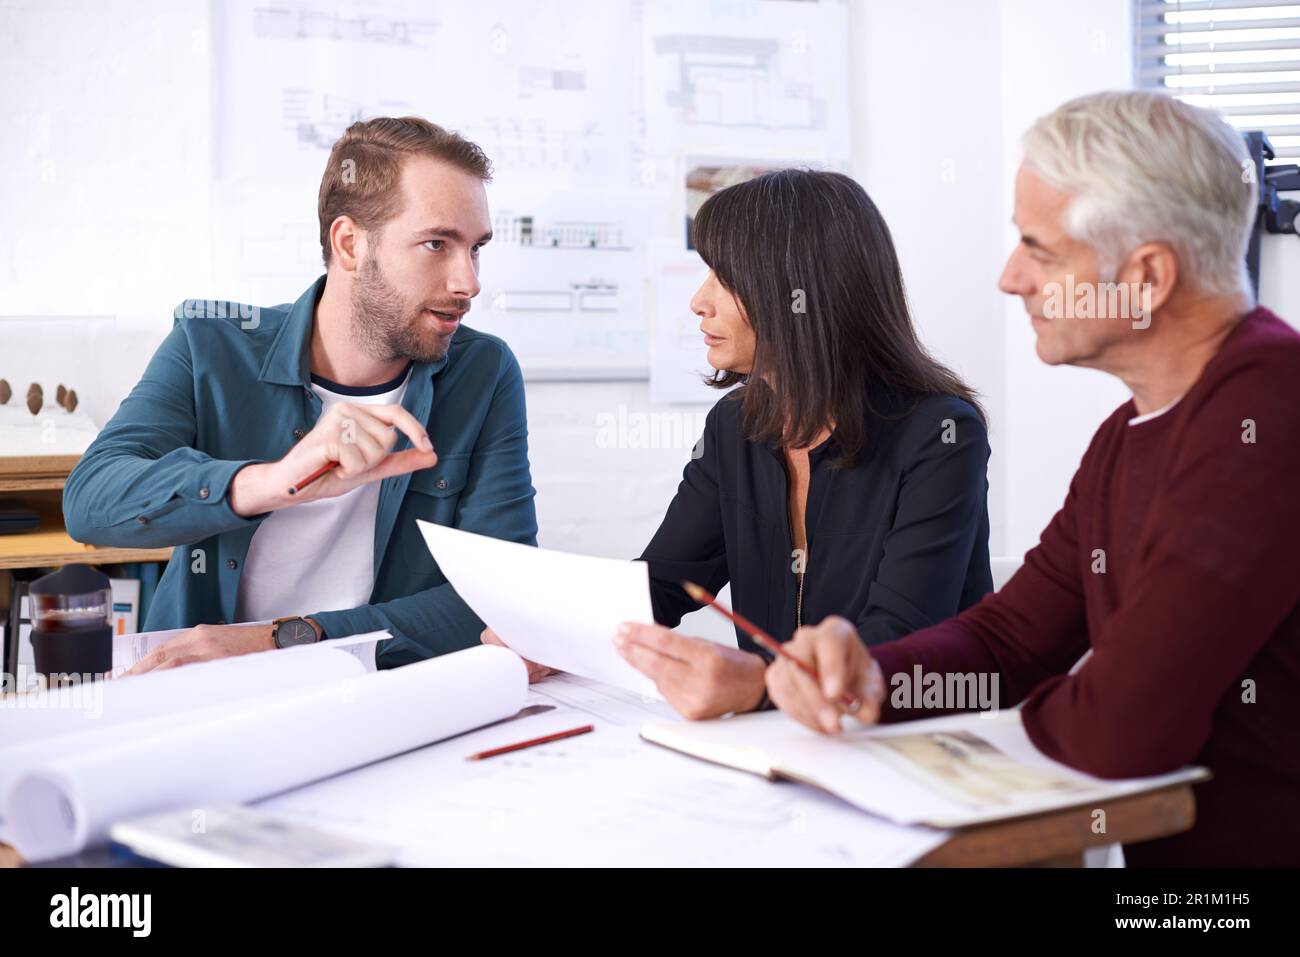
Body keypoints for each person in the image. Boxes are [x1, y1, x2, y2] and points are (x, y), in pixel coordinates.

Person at [767, 92, 1300, 867]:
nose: (1010, 278)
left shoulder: (1269, 412)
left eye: (1039, 250)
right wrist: (871, 678)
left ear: (1146, 275)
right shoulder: (1132, 431)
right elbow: (1006, 639)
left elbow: (1123, 727)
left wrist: (1022, 716)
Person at [489, 169, 993, 719]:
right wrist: (548, 633)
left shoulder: (939, 434)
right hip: (785, 737)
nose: (698, 301)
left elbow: (897, 640)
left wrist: (757, 686)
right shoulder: (737, 426)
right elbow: (665, 583)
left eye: (722, 277)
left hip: (909, 738)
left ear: (801, 292)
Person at [64, 117, 537, 672]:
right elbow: (89, 503)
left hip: (379, 688)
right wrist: (269, 482)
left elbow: (506, 595)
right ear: (350, 243)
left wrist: (288, 638)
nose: (469, 282)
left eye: (476, 248)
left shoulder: (482, 371)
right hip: (200, 684)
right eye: (437, 243)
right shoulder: (209, 345)